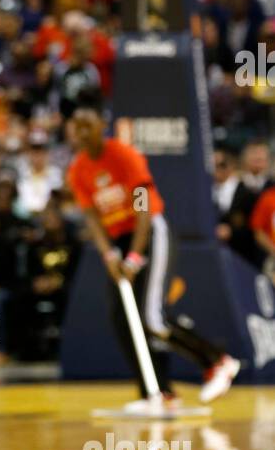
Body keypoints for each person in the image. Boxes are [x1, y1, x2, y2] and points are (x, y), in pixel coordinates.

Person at [67, 103, 239, 414]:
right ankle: (158, 393)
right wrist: (108, 253)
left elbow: (143, 207)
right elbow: (92, 217)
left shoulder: (123, 155)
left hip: (149, 230)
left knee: (152, 318)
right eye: (75, 126)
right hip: (118, 239)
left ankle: (217, 361)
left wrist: (134, 257)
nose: (80, 132)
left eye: (87, 124)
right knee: (122, 318)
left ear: (101, 126)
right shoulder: (77, 170)